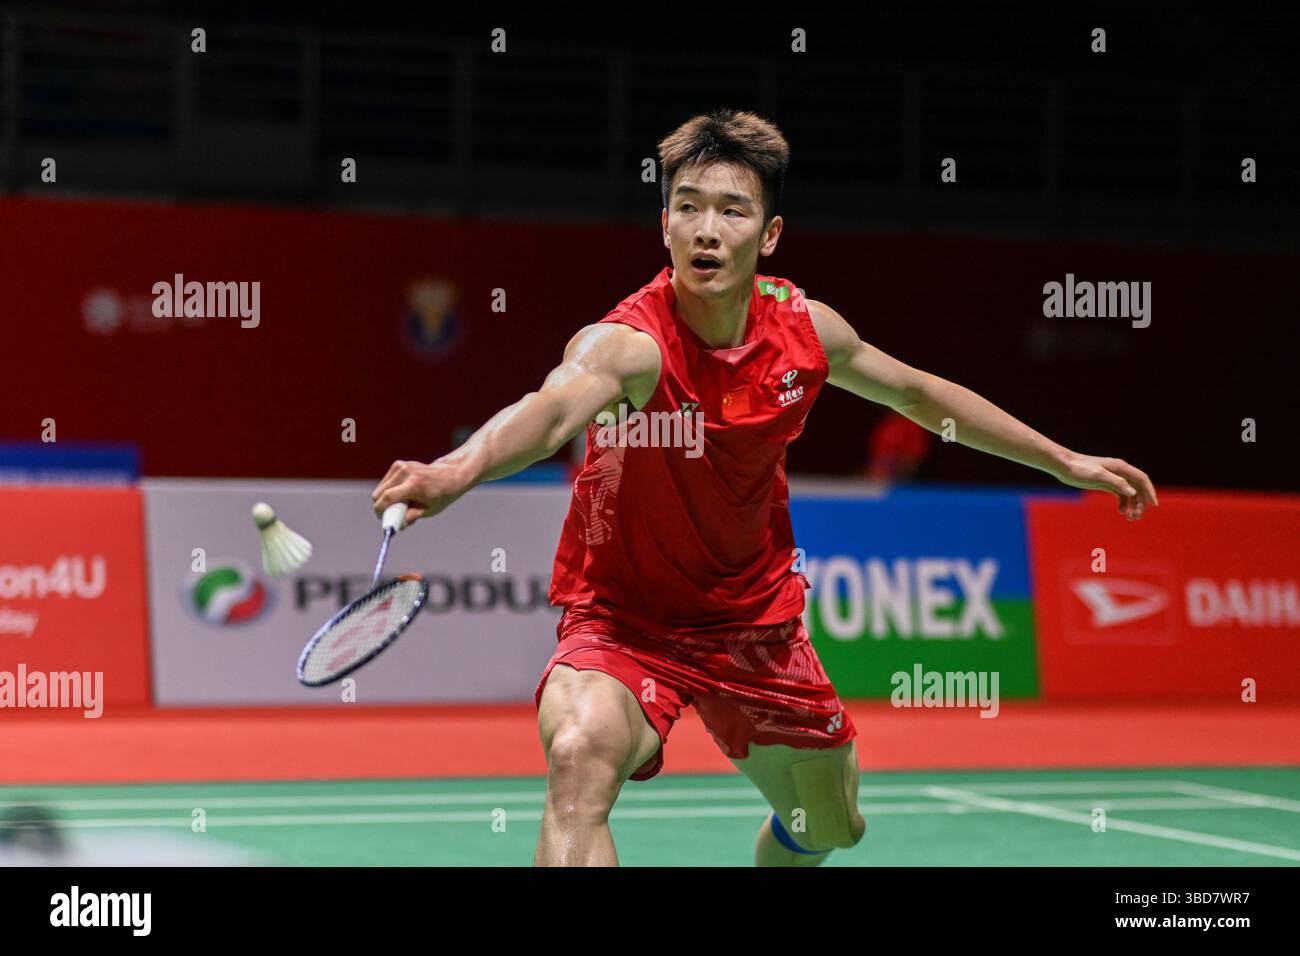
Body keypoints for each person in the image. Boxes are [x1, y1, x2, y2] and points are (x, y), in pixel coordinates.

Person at [371, 108, 1158, 867]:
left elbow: (920, 394)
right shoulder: (631, 347)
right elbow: (548, 410)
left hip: (755, 622)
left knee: (832, 825)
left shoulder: (807, 333)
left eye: (731, 211)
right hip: (624, 619)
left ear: (769, 235)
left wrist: (1065, 462)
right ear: (666, 225)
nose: (707, 228)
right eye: (687, 208)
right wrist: (455, 471)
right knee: (579, 759)